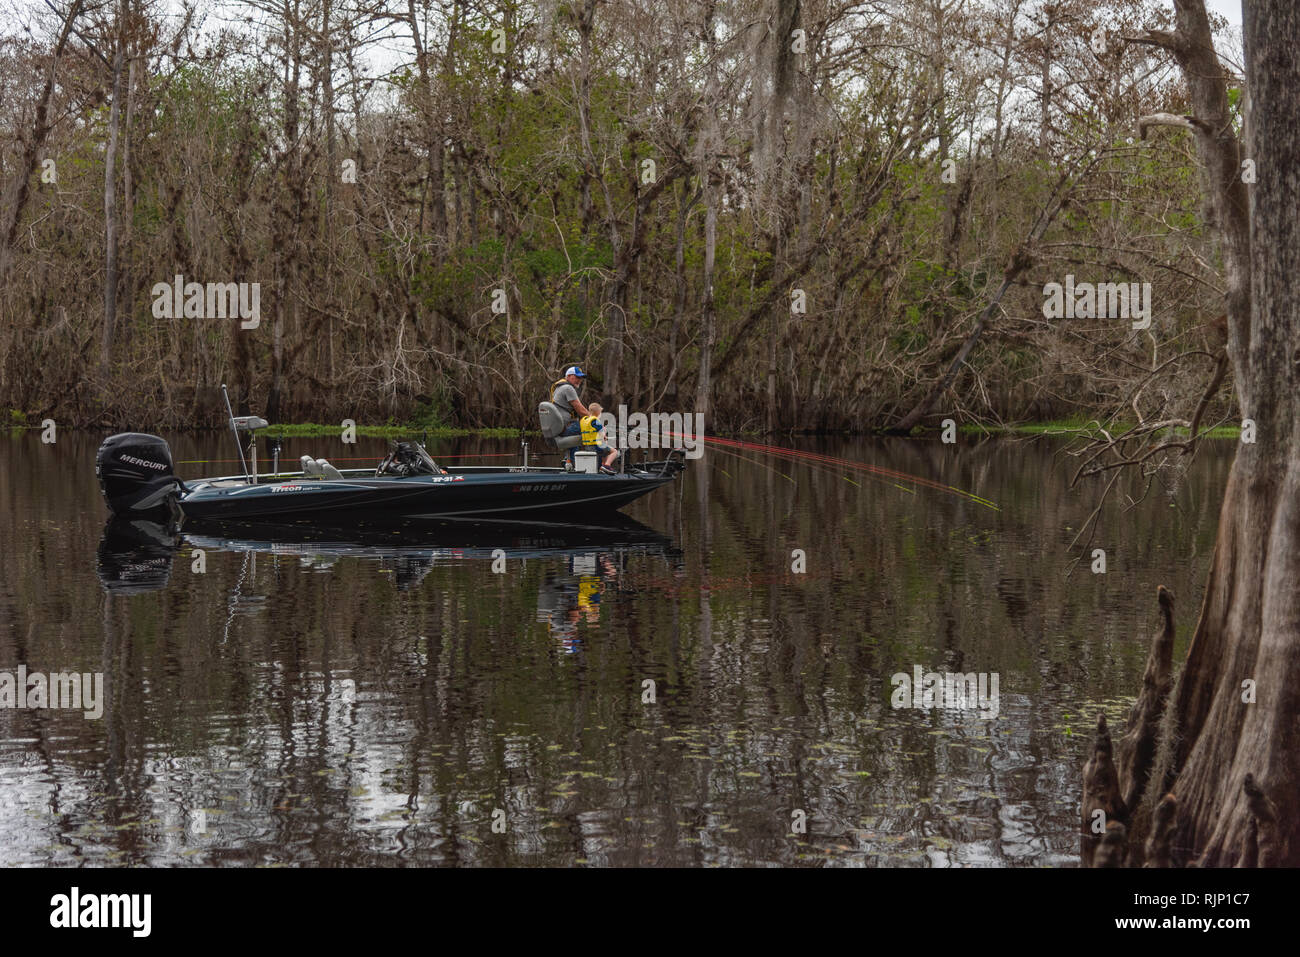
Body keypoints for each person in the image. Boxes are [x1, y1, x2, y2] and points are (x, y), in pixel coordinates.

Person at [550, 366, 591, 442]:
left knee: (577, 425)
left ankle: (573, 454)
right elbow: (581, 410)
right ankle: (603, 452)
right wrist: (594, 420)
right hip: (564, 429)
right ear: (568, 376)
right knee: (592, 427)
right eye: (577, 377)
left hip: (557, 429)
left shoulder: (559, 387)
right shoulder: (568, 388)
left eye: (581, 378)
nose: (579, 380)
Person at [579, 402, 620, 474]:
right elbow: (602, 433)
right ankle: (607, 465)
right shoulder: (595, 421)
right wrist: (605, 436)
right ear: (598, 413)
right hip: (596, 446)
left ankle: (602, 467)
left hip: (588, 446)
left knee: (605, 451)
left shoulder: (584, 420)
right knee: (614, 451)